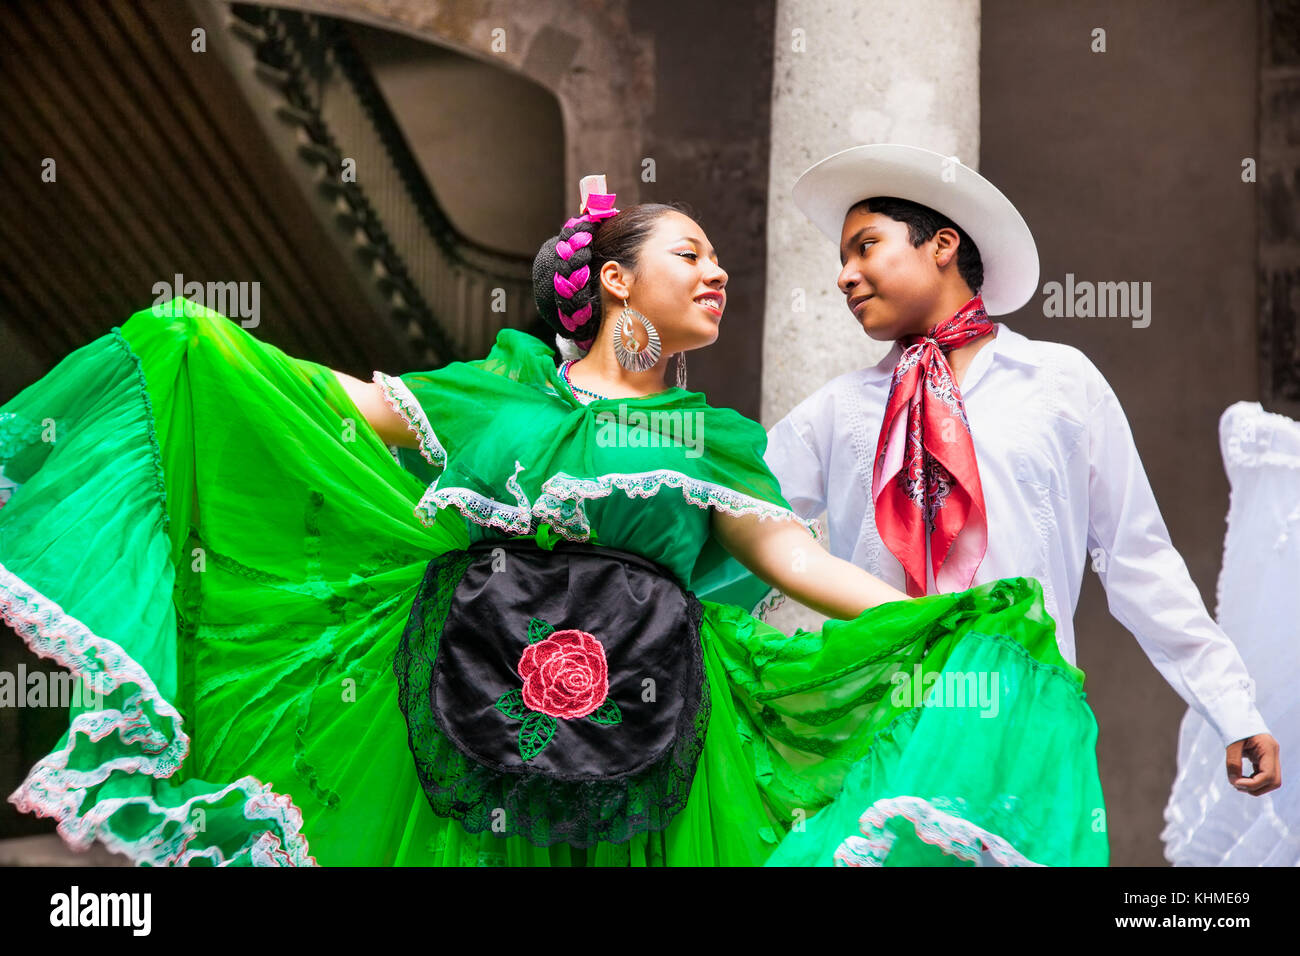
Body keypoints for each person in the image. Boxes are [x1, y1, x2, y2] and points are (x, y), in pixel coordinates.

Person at [0, 175, 1107, 867]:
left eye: (719, 259)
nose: (718, 272)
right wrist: (210, 343)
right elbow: (335, 404)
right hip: (462, 697)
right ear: (618, 280)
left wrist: (943, 622)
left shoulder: (709, 438)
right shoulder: (501, 396)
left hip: (655, 721)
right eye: (692, 254)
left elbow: (792, 555)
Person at [756, 144, 1281, 822]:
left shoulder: (1062, 382)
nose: (844, 276)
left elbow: (1137, 558)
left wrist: (1231, 704)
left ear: (942, 244)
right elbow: (740, 518)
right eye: (842, 260)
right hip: (880, 720)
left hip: (1024, 715)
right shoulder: (839, 408)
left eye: (865, 247)